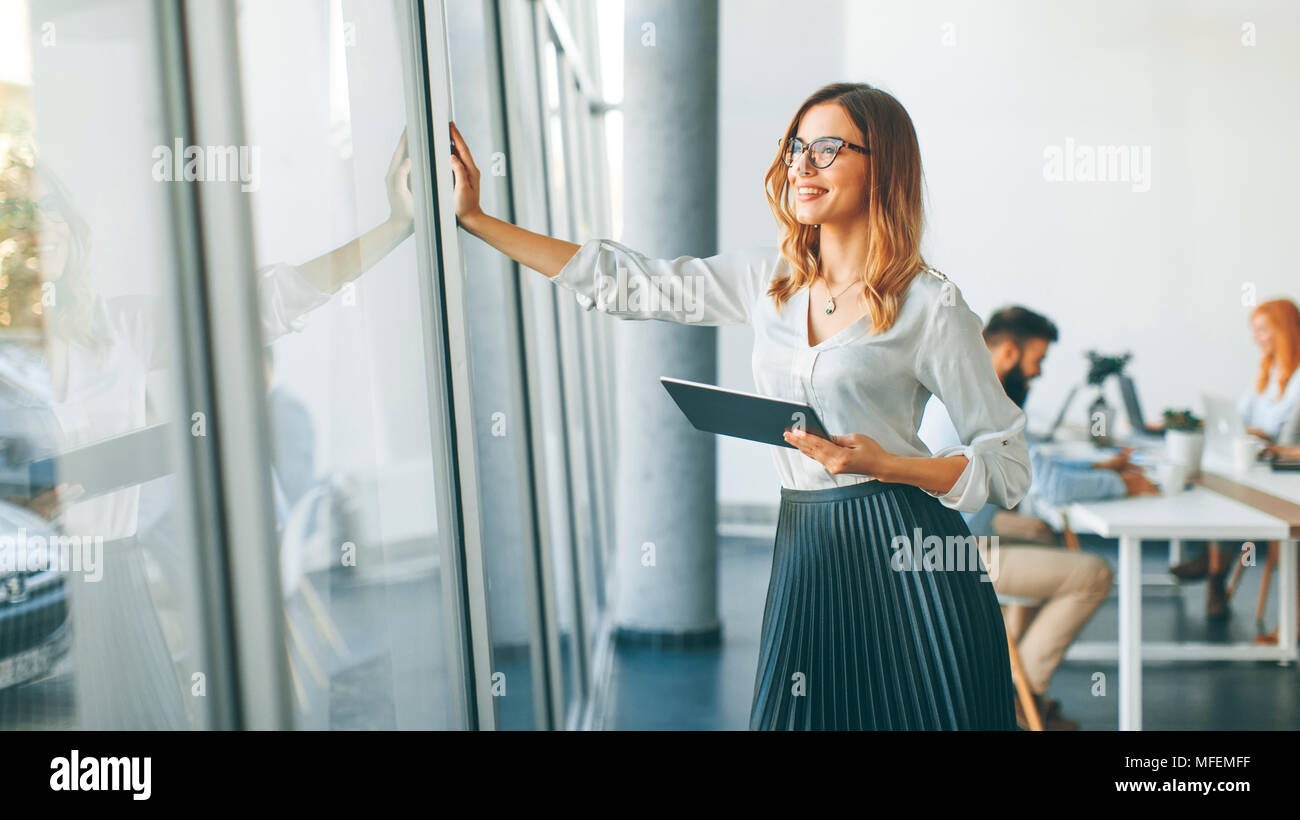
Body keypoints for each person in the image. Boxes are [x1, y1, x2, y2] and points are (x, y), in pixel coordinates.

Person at [451, 82, 1030, 730]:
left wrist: (893, 465)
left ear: (884, 164)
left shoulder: (931, 306)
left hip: (910, 556)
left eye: (829, 147)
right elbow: (633, 285)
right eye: (796, 147)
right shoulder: (772, 280)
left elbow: (1006, 466)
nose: (803, 166)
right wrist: (477, 220)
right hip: (808, 549)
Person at [0, 134, 413, 728]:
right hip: (24, 593)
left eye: (55, 209)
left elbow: (263, 303)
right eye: (25, 214)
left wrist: (393, 228)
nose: (50, 226)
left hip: (112, 585)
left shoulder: (118, 331)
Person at [920, 306, 1158, 730]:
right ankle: (1018, 693)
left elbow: (1036, 465)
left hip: (948, 537)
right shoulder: (986, 400)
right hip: (954, 552)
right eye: (1037, 361)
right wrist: (1125, 485)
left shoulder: (964, 390)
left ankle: (1010, 678)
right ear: (1009, 351)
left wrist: (1098, 470)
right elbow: (1050, 487)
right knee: (1094, 574)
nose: (1039, 373)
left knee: (1041, 532)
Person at [1170, 298, 1300, 617]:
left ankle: (1213, 572)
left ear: (1284, 331)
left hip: (1285, 472)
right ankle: (1208, 564)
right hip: (1260, 461)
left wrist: (1282, 448)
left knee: (1233, 492)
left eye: (1263, 330)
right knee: (1212, 478)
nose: (1256, 338)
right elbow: (1238, 417)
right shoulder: (1268, 374)